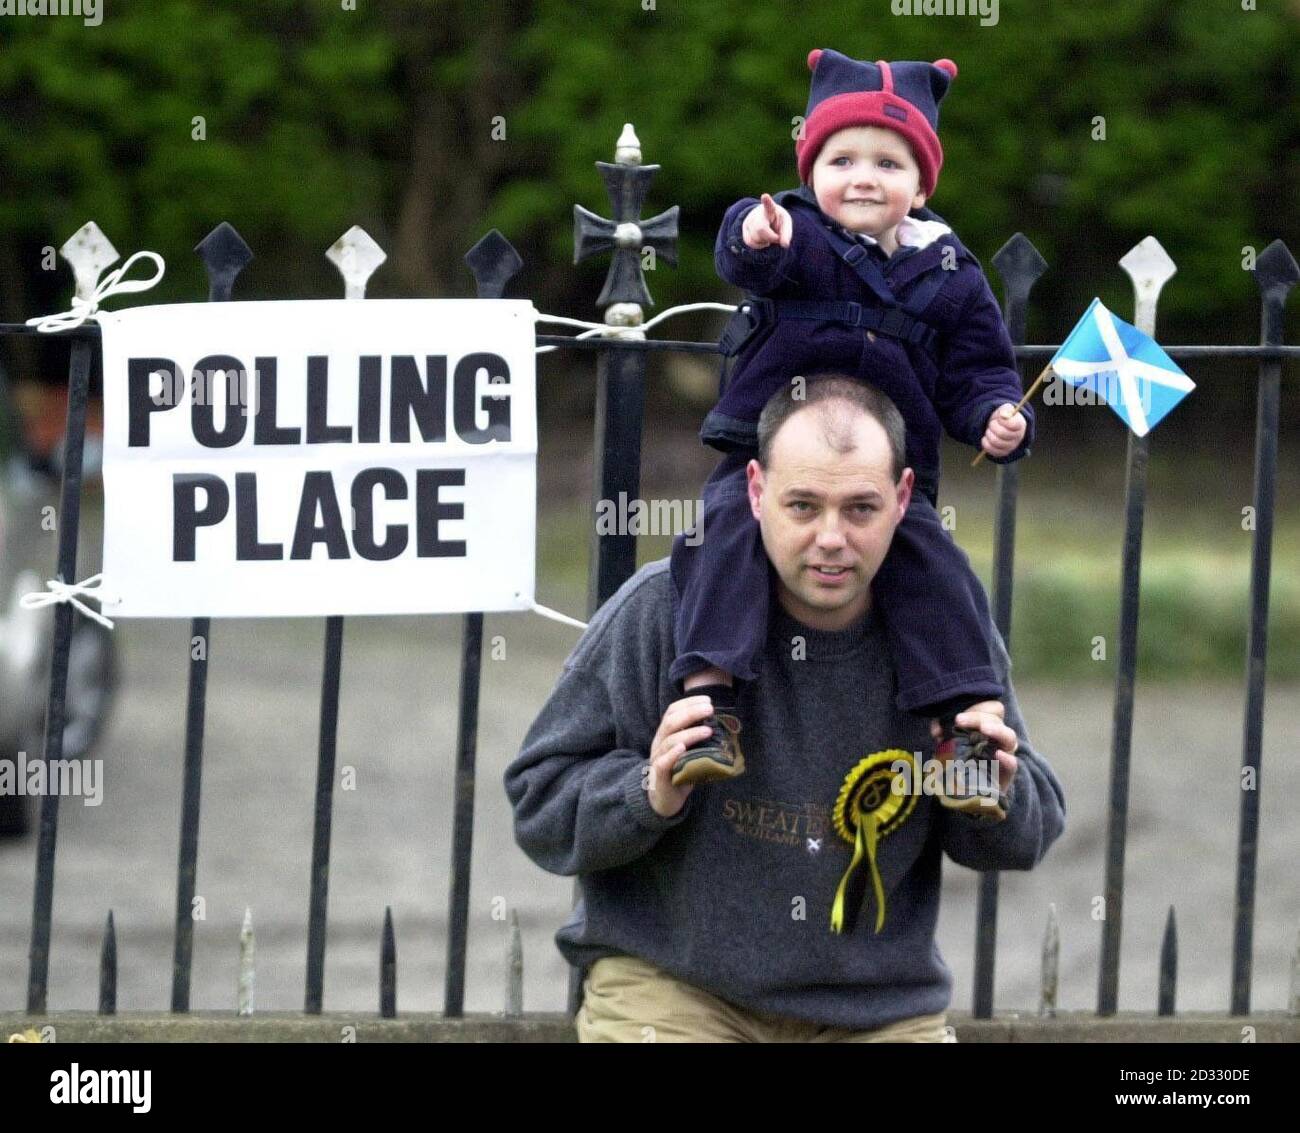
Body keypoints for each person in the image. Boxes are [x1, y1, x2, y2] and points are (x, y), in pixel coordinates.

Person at [505, 377, 1065, 1043]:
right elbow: (539, 805)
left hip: (877, 1009)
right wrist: (644, 792)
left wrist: (993, 796)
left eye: (861, 508)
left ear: (904, 498)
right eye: (803, 506)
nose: (831, 537)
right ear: (755, 490)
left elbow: (1028, 830)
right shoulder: (661, 610)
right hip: (676, 990)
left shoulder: (949, 632)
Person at [670, 49, 1033, 788]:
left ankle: (964, 733)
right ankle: (710, 708)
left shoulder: (952, 273)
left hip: (887, 469)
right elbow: (745, 252)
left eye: (889, 164)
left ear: (923, 183)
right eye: (841, 159)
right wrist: (754, 237)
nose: (863, 176)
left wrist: (997, 416)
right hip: (768, 445)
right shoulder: (796, 231)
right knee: (719, 535)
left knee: (940, 573)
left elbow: (980, 370)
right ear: (811, 172)